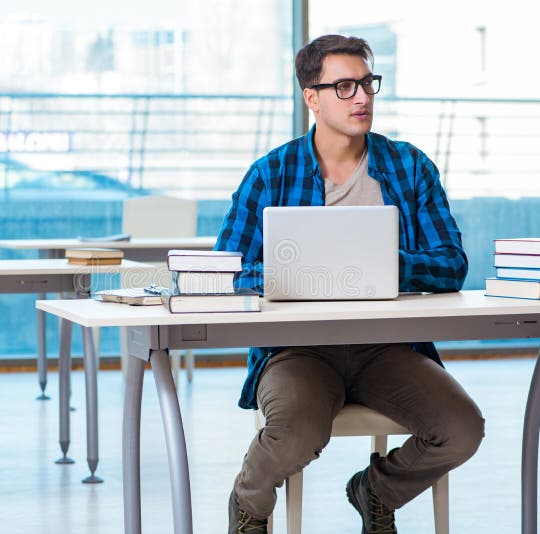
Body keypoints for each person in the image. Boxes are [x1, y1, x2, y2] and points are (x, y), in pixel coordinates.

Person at [215, 34, 485, 533]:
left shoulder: (409, 166)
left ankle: (375, 491)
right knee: (295, 433)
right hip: (298, 348)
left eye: (366, 83)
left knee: (462, 429)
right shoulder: (270, 173)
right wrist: (296, 273)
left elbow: (451, 265)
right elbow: (226, 271)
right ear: (311, 97)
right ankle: (249, 504)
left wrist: (378, 262)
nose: (361, 97)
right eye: (343, 86)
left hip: (388, 348)